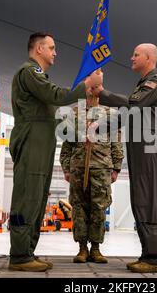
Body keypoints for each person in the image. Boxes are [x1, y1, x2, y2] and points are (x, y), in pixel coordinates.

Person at [8, 32, 103, 272]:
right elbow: (55, 95)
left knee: (38, 197)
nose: (55, 52)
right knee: (27, 196)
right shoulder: (30, 72)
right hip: (32, 140)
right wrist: (86, 85)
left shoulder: (36, 76)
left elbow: (53, 100)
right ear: (38, 49)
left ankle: (27, 251)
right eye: (51, 47)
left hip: (41, 141)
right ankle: (19, 255)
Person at [90, 43, 157, 273]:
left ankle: (155, 258)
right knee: (141, 200)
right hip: (140, 151)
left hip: (150, 150)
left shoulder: (156, 82)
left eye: (136, 54)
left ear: (148, 58)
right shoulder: (142, 85)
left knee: (150, 202)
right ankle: (148, 254)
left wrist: (102, 93)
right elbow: (128, 115)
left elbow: (132, 104)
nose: (131, 57)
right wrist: (98, 128)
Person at [59, 92, 124, 264]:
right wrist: (66, 168)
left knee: (99, 208)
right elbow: (67, 145)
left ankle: (95, 248)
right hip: (78, 168)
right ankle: (82, 248)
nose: (92, 92)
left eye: (96, 88)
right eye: (90, 88)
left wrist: (116, 167)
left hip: (102, 168)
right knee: (78, 208)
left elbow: (116, 142)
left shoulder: (110, 114)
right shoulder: (74, 113)